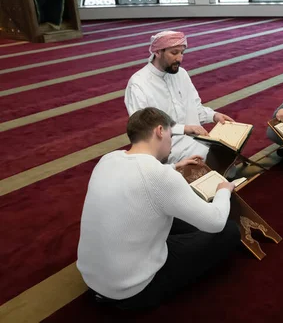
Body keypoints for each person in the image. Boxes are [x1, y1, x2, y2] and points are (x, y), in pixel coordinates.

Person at [77, 107, 240, 310]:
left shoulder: (108, 159)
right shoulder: (160, 177)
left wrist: (174, 166)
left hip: (92, 279)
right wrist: (224, 189)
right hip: (132, 292)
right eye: (171, 136)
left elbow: (142, 176)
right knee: (229, 231)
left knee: (170, 217)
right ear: (160, 131)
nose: (171, 144)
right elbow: (215, 222)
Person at [124, 30, 234, 164]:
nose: (179, 59)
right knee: (215, 158)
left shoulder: (181, 74)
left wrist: (214, 116)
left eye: (182, 53)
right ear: (157, 52)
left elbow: (195, 108)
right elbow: (143, 129)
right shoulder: (138, 83)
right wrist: (183, 129)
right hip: (166, 150)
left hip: (196, 140)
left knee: (230, 148)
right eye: (174, 53)